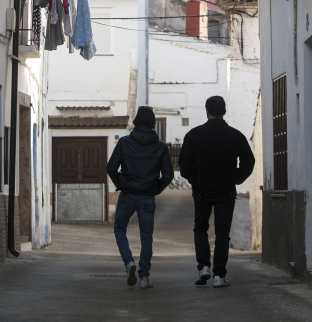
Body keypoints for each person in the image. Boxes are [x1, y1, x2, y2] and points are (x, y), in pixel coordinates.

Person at [178, 96, 255, 288]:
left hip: (202, 192)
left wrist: (196, 180)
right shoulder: (235, 136)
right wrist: (234, 178)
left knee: (200, 228)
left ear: (207, 111)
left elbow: (184, 165)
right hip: (226, 192)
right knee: (222, 234)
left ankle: (203, 266)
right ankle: (219, 276)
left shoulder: (194, 135)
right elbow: (248, 162)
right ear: (224, 111)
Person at [106, 106, 174, 289]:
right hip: (147, 197)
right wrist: (154, 189)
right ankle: (144, 277)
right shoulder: (160, 147)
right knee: (146, 237)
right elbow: (168, 176)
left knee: (120, 228)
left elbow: (111, 167)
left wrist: (122, 183)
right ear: (153, 123)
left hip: (127, 194)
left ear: (136, 121)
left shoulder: (124, 142)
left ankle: (129, 262)